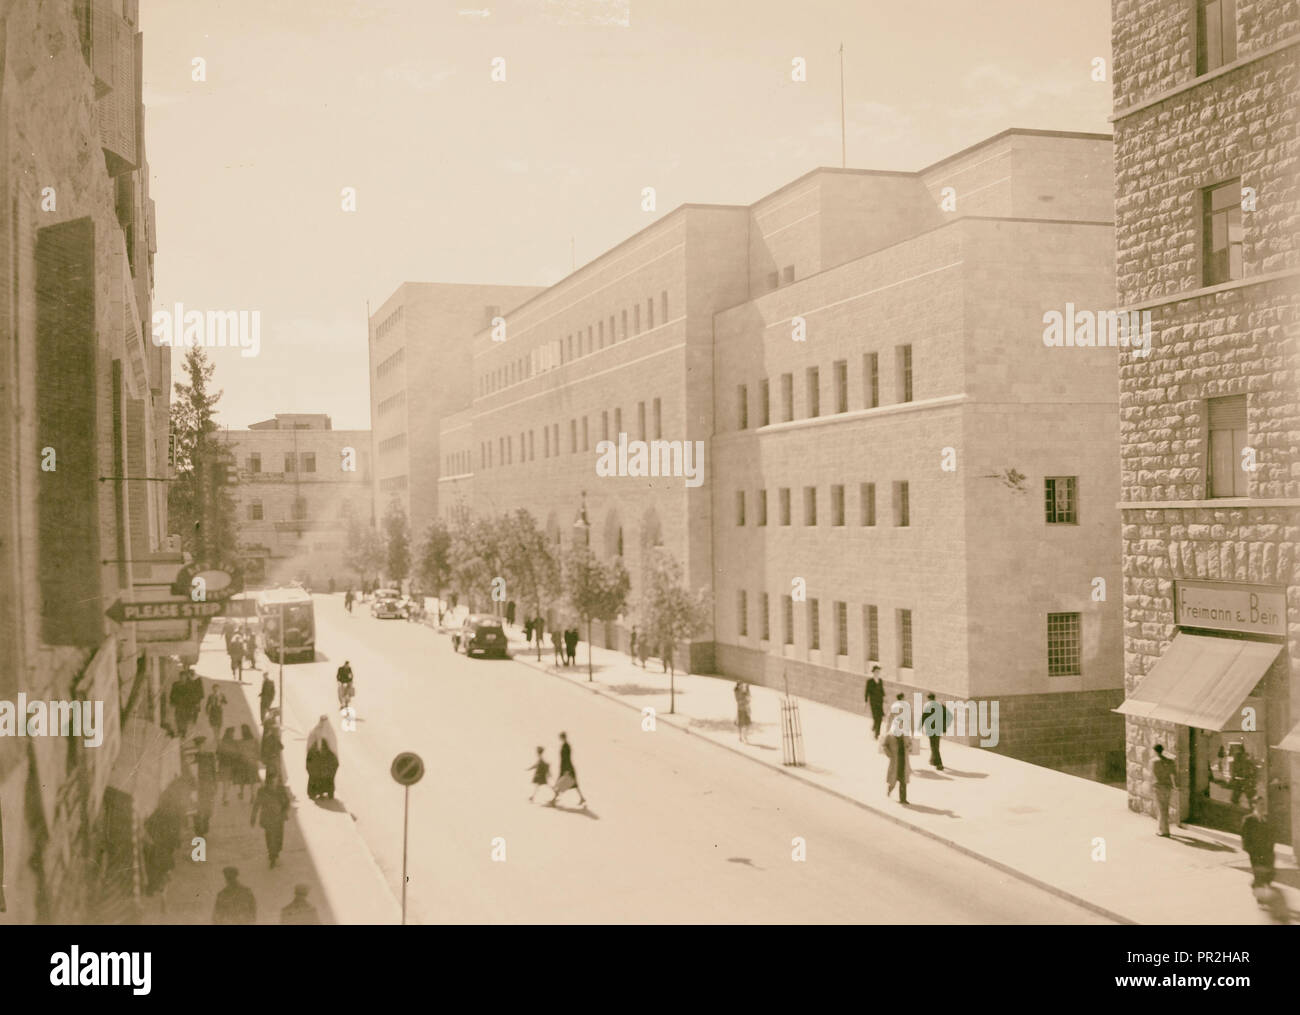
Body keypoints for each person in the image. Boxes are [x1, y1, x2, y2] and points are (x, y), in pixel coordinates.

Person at [250, 771, 291, 868]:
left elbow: (287, 803)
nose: (273, 784)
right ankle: (272, 854)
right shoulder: (262, 791)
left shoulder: (281, 789)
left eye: (275, 781)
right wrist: (253, 817)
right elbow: (257, 804)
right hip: (267, 818)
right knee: (270, 836)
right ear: (267, 782)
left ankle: (275, 852)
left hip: (279, 816)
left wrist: (284, 812)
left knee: (278, 836)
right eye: (271, 782)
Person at [1240, 795, 1275, 892]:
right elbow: (1244, 835)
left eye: (1264, 804)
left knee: (1267, 870)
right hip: (1255, 851)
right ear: (1254, 805)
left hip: (1266, 850)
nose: (1263, 807)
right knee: (1258, 870)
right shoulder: (1248, 819)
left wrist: (1271, 847)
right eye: (1260, 804)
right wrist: (1248, 849)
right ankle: (1259, 889)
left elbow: (1271, 834)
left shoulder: (1266, 819)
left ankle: (1262, 884)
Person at [879, 702, 911, 805]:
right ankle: (889, 790)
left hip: (903, 761)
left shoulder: (905, 735)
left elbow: (909, 744)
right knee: (893, 780)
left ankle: (903, 799)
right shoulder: (890, 735)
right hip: (895, 761)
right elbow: (884, 745)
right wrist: (889, 754)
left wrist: (909, 747)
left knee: (903, 781)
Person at [548, 732, 587, 807]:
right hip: (565, 768)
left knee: (561, 784)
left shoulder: (566, 746)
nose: (561, 739)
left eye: (561, 737)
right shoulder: (565, 745)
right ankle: (582, 798)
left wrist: (567, 770)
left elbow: (567, 758)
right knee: (573, 784)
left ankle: (553, 800)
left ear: (563, 737)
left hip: (567, 768)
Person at [306, 715, 340, 800]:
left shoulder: (330, 733)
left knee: (326, 777)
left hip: (326, 761)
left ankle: (326, 792)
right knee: (316, 776)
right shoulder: (315, 731)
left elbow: (333, 747)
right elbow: (310, 745)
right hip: (317, 760)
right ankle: (316, 792)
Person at [191, 737, 217, 837]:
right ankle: (198, 829)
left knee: (208, 808)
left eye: (203, 745)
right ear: (197, 746)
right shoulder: (194, 757)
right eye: (200, 746)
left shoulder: (210, 756)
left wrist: (214, 783)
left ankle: (205, 824)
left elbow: (213, 770)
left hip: (208, 784)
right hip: (198, 786)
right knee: (197, 807)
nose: (202, 747)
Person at [1152, 743, 1177, 837]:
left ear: (1155, 751)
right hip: (1167, 786)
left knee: (1161, 808)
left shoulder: (1154, 762)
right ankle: (1165, 828)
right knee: (1165, 807)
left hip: (1158, 786)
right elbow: (1174, 773)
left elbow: (1153, 774)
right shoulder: (1170, 761)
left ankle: (1163, 830)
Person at [921, 692, 946, 770]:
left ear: (928, 698)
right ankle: (933, 760)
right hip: (939, 728)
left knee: (933, 746)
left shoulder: (927, 706)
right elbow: (945, 717)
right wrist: (944, 728)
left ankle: (939, 763)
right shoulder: (941, 705)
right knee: (936, 745)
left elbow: (924, 717)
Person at [261, 717, 284, 783]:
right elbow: (281, 747)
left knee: (271, 772)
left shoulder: (267, 737)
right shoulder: (271, 737)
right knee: (274, 772)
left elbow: (281, 746)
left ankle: (272, 783)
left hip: (271, 758)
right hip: (273, 758)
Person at [864, 666, 885, 737]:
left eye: (878, 672)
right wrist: (866, 701)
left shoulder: (880, 681)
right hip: (873, 702)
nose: (877, 673)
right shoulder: (869, 681)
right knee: (876, 717)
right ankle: (876, 732)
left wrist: (885, 697)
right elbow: (867, 691)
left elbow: (882, 690)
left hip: (880, 701)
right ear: (873, 672)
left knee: (880, 717)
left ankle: (876, 730)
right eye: (876, 671)